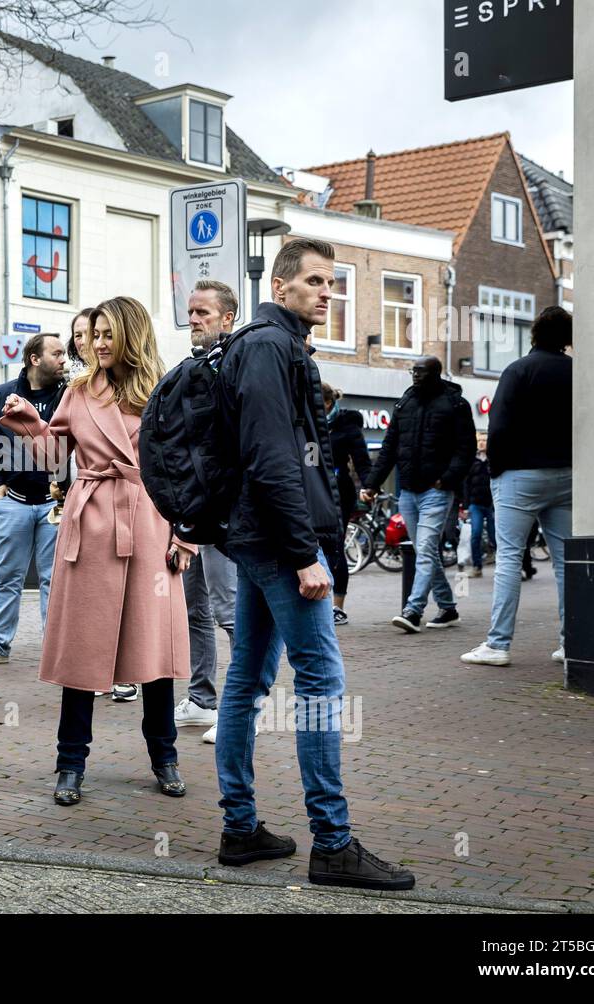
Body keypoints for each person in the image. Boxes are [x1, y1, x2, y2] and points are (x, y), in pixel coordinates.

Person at [213, 238, 414, 890]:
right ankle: (332, 842)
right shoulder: (270, 348)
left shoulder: (271, 345)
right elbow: (274, 459)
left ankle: (240, 829)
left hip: (254, 536)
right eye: (317, 282)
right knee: (321, 680)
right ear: (281, 284)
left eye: (331, 283)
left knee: (246, 679)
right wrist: (305, 555)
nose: (328, 293)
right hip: (276, 542)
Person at [1, 296, 194, 807]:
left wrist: (188, 533)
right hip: (91, 523)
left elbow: (185, 465)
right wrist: (30, 427)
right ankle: (70, 763)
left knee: (153, 651)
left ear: (132, 334)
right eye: (95, 334)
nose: (99, 343)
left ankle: (164, 756)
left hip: (151, 522)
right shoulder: (80, 390)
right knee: (84, 650)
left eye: (109, 333)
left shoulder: (166, 389)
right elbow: (56, 458)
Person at [462, 306, 573, 667]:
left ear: (534, 335)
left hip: (520, 476)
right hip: (566, 474)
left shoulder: (518, 370)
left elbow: (500, 424)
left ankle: (497, 645)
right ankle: (571, 643)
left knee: (509, 557)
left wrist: (495, 469)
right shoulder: (577, 373)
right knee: (564, 563)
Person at [360, 355, 474, 633]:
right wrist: (372, 484)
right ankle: (447, 607)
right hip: (408, 492)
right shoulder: (405, 402)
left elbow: (465, 450)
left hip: (436, 490)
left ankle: (413, 610)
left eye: (421, 372)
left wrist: (446, 480)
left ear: (436, 373)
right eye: (413, 371)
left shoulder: (456, 405)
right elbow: (389, 448)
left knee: (424, 549)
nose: (416, 376)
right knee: (426, 551)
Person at [0, 333, 68, 666]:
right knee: (7, 577)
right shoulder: (2, 396)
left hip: (54, 504)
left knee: (54, 580)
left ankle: (54, 648)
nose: (64, 360)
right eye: (56, 354)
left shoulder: (67, 397)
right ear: (35, 359)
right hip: (12, 500)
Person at [175, 281, 239, 735]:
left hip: (224, 513)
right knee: (193, 608)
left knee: (231, 612)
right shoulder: (192, 368)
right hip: (191, 511)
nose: (194, 319)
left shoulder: (236, 365)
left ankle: (239, 712)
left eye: (204, 313)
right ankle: (201, 698)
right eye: (191, 312)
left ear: (227, 318)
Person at [322, 383, 371, 625]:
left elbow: (361, 458)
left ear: (328, 403)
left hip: (339, 490)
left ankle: (337, 607)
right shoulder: (304, 419)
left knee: (334, 546)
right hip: (310, 490)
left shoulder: (346, 425)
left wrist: (369, 485)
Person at [462, 431, 496, 578]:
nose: (482, 442)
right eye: (479, 440)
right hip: (475, 505)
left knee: (495, 537)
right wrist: (465, 505)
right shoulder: (472, 461)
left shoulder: (493, 460)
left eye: (484, 440)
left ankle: (503, 566)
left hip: (491, 505)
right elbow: (466, 485)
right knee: (475, 534)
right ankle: (477, 567)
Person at [65, 308, 93, 380]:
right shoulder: (70, 379)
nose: (83, 341)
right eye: (78, 336)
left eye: (90, 334)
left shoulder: (117, 377)